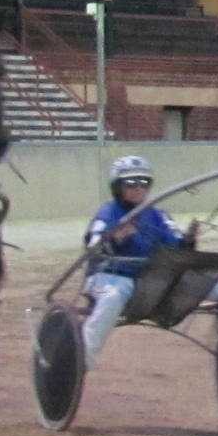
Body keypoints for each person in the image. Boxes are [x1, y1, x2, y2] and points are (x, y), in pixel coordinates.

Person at [80, 155, 195, 364]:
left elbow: (176, 245)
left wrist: (188, 241)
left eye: (144, 182)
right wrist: (115, 239)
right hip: (110, 277)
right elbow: (93, 245)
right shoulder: (108, 213)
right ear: (117, 187)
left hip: (149, 281)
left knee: (213, 282)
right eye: (131, 183)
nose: (138, 188)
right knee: (114, 295)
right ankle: (83, 359)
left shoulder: (158, 215)